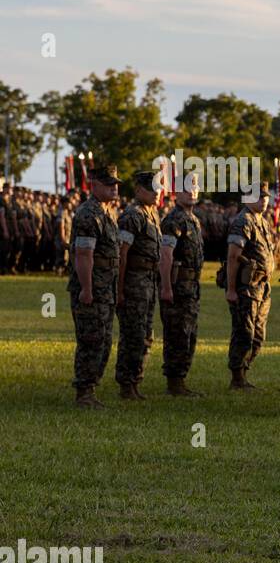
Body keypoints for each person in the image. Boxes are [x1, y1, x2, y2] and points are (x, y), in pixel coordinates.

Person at [68, 165, 123, 408]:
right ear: (95, 185)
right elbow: (83, 254)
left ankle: (91, 387)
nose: (115, 188)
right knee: (91, 338)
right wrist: (87, 289)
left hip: (105, 286)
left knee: (103, 339)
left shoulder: (107, 212)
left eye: (116, 183)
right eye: (109, 184)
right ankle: (84, 391)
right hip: (93, 288)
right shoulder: (88, 214)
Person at [114, 170, 164, 400]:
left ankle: (135, 380)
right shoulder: (132, 215)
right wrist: (120, 289)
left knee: (145, 334)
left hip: (148, 281)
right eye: (151, 188)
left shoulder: (152, 214)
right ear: (138, 190)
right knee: (133, 334)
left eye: (158, 188)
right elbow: (122, 255)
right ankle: (126, 383)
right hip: (134, 282)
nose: (156, 193)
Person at [158, 172, 206, 396]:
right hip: (178, 287)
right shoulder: (173, 220)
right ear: (176, 193)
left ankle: (181, 379)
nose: (192, 191)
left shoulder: (193, 220)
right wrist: (166, 287)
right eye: (188, 188)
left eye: (195, 187)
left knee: (189, 334)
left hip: (191, 287)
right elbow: (166, 255)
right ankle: (174, 382)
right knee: (177, 334)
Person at [225, 181, 275, 390]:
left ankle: (244, 371)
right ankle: (237, 377)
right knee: (244, 332)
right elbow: (233, 256)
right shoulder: (243, 221)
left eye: (265, 196)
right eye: (259, 196)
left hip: (262, 287)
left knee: (258, 335)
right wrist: (231, 289)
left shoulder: (262, 221)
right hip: (246, 287)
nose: (264, 200)